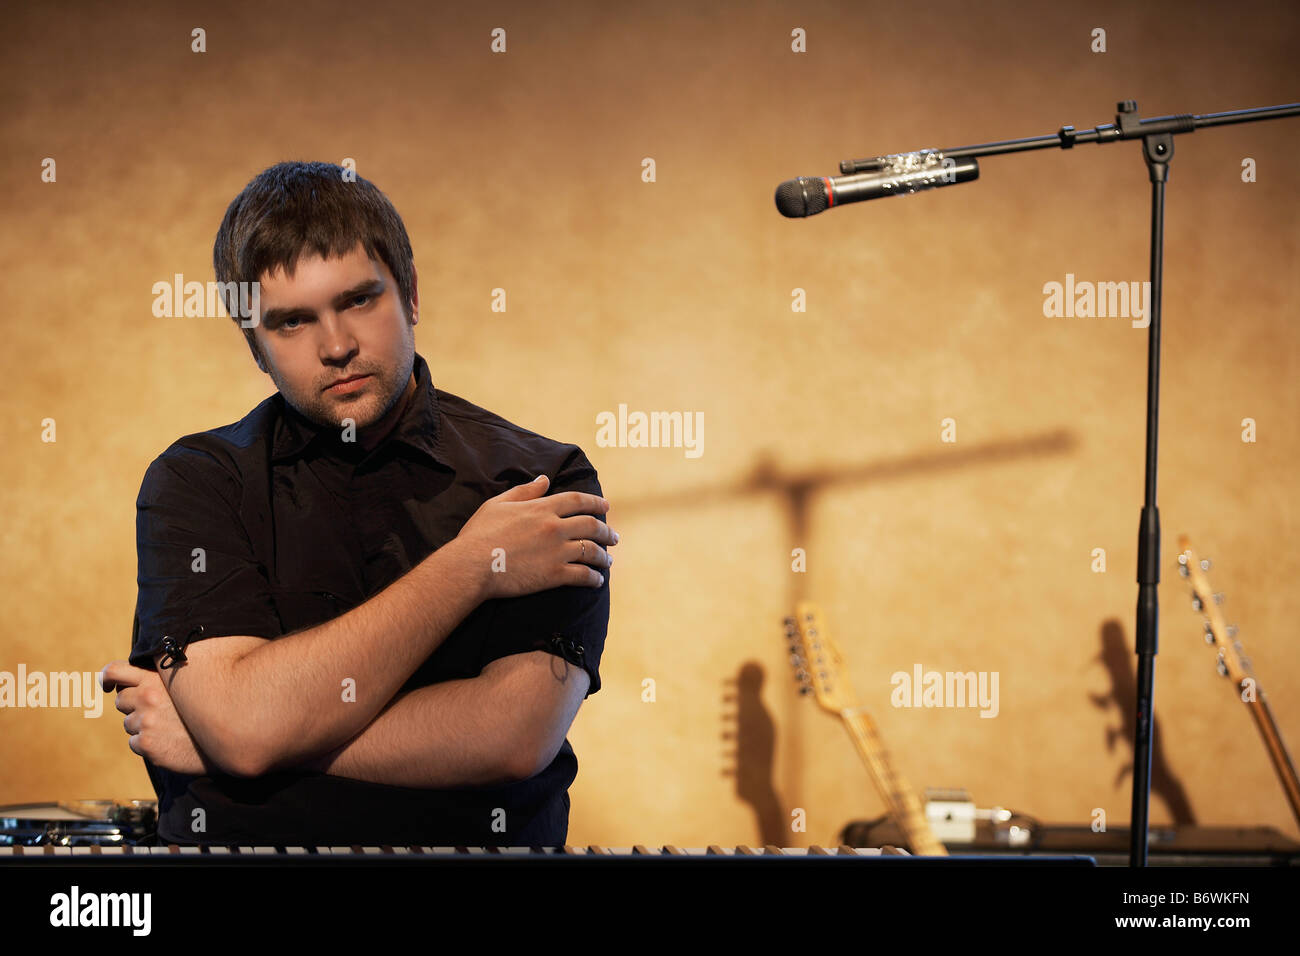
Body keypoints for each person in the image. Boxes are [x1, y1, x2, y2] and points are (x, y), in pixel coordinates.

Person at [99, 161, 617, 847]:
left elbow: (512, 738)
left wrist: (240, 738)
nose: (337, 345)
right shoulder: (196, 482)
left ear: (409, 297)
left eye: (358, 301)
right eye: (290, 322)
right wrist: (471, 568)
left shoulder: (540, 481)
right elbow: (243, 730)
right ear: (254, 344)